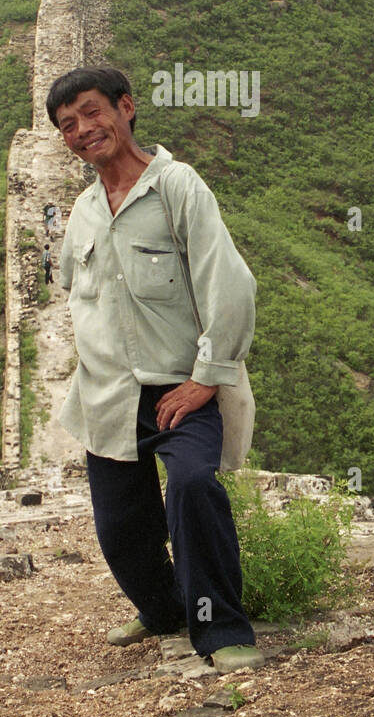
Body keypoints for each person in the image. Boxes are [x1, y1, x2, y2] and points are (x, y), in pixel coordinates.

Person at [45, 64, 263, 674]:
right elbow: (74, 291)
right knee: (121, 528)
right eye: (69, 125)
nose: (84, 130)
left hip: (179, 387)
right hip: (107, 393)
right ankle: (164, 610)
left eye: (93, 112)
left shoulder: (177, 187)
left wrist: (206, 376)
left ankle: (221, 628)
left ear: (126, 108)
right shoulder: (84, 210)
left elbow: (231, 285)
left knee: (193, 487)